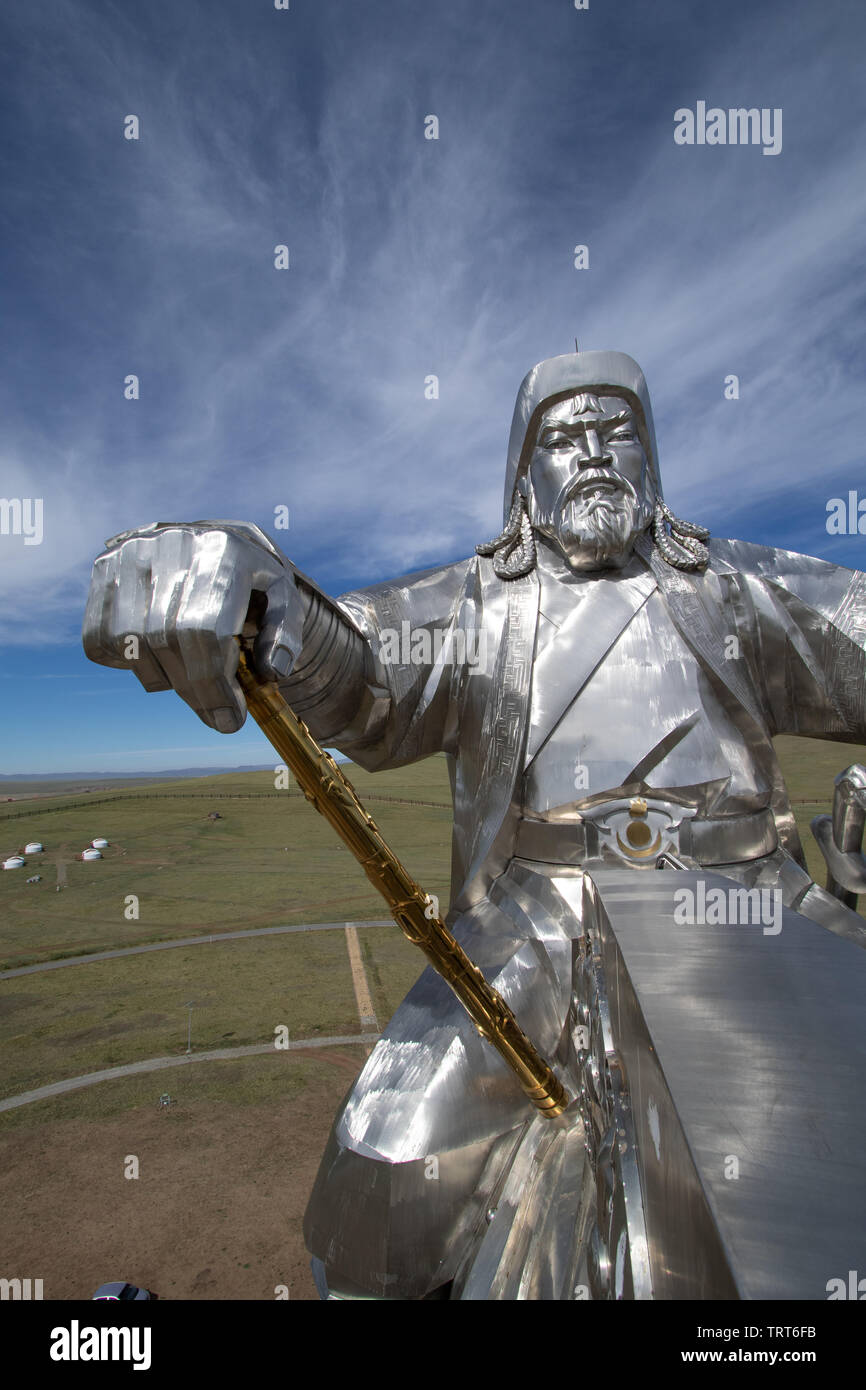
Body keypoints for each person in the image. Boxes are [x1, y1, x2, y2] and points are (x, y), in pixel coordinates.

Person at [83, 349, 866, 1299]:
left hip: (747, 894)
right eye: (564, 437)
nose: (594, 453)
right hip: (543, 913)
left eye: (617, 431)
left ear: (652, 459)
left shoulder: (733, 585)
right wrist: (264, 596)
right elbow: (364, 677)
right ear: (524, 478)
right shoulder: (478, 602)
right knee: (387, 1168)